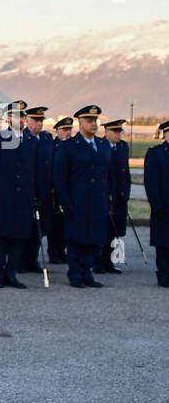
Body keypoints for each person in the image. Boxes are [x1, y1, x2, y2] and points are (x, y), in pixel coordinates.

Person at [52, 105, 113, 288]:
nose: (94, 124)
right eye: (89, 120)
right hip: (77, 201)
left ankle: (87, 272)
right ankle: (75, 274)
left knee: (95, 239)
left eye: (95, 120)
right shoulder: (69, 146)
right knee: (77, 239)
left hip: (97, 201)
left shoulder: (102, 145)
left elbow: (107, 174)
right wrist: (65, 202)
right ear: (80, 122)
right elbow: (60, 177)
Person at [0, 100, 37, 288]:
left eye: (22, 116)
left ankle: (12, 273)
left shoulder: (29, 141)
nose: (20, 119)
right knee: (1, 239)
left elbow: (34, 173)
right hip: (4, 199)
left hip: (23, 200)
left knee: (19, 238)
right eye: (16, 115)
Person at [21, 107, 53, 273]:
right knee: (26, 227)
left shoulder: (47, 138)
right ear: (27, 121)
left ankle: (32, 259)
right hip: (27, 191)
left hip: (44, 191)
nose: (39, 123)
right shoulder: (22, 138)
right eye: (36, 120)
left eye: (41, 120)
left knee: (41, 229)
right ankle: (21, 260)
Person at [99, 119, 132, 274]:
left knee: (116, 231)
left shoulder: (123, 147)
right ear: (106, 132)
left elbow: (126, 172)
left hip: (120, 196)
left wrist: (126, 192)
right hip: (105, 195)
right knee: (103, 230)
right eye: (115, 131)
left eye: (120, 131)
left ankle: (109, 262)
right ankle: (98, 262)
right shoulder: (100, 146)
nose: (119, 134)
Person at [145, 121, 169, 287]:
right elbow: (151, 181)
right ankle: (164, 275)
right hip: (164, 207)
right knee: (164, 244)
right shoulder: (156, 153)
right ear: (165, 134)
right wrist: (156, 205)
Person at [47, 117, 73, 264]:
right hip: (54, 192)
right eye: (64, 130)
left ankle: (62, 250)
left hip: (68, 191)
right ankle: (53, 252)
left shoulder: (73, 147)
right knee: (54, 225)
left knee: (66, 224)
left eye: (69, 129)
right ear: (57, 131)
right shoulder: (52, 146)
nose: (68, 132)